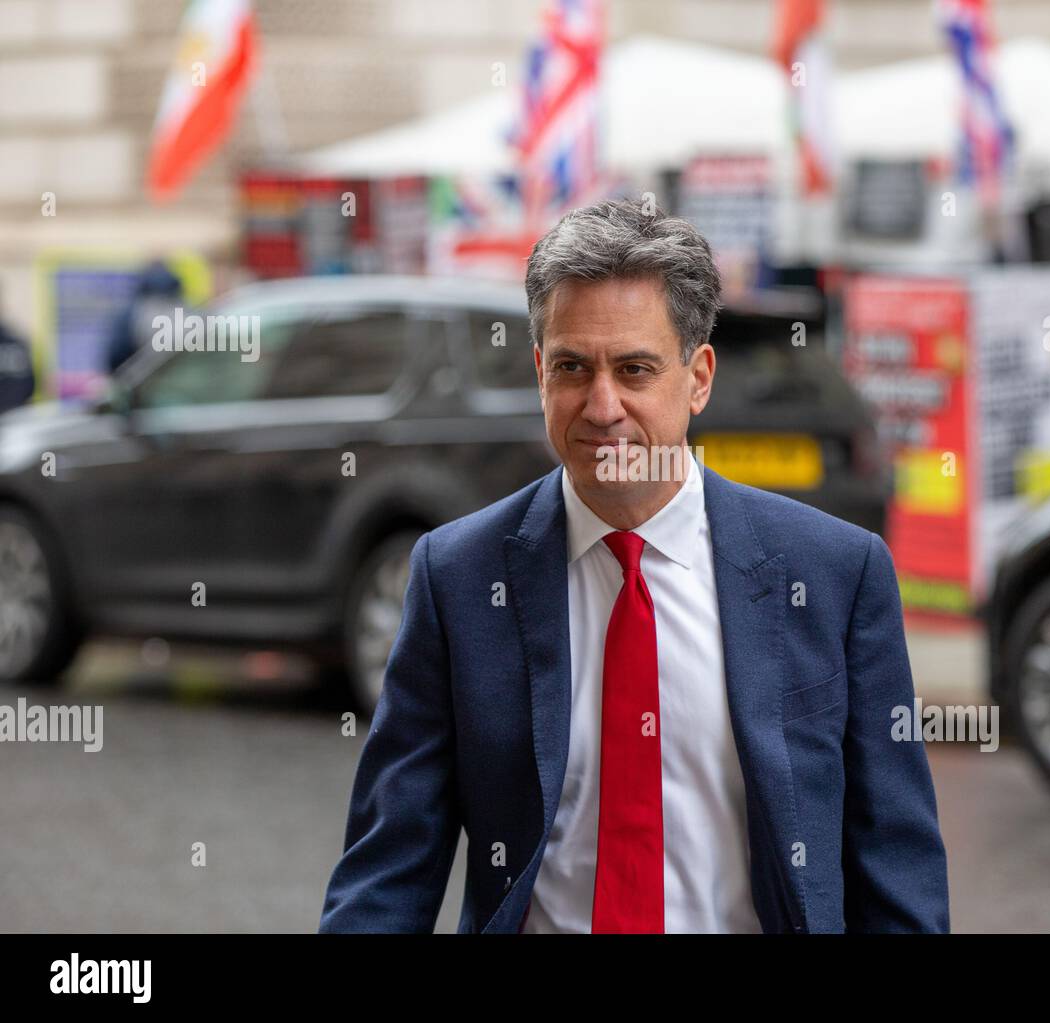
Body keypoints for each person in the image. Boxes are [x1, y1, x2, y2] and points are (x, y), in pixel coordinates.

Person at [318, 198, 949, 934]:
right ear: (539, 374)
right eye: (572, 367)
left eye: (636, 369)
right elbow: (388, 871)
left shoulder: (839, 575)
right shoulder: (457, 578)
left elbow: (896, 869)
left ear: (699, 376)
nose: (602, 404)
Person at [105, 259, 182, 374]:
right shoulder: (185, 309)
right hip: (177, 381)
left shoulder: (132, 312)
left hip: (141, 383)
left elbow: (117, 353)